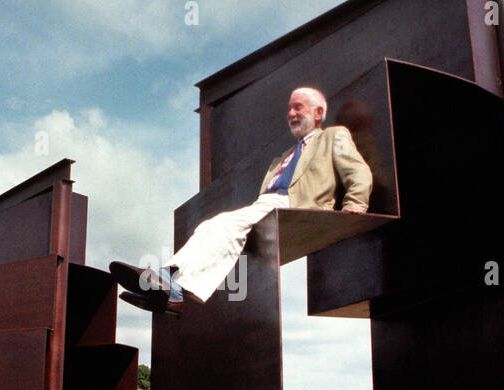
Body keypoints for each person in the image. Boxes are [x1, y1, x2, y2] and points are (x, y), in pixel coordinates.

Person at [110, 86, 373, 316]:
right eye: (289, 109)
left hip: (297, 204)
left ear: (318, 112)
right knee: (210, 225)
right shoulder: (282, 157)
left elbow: (358, 171)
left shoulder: (333, 136)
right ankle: (171, 292)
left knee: (225, 223)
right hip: (266, 205)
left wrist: (356, 203)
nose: (291, 113)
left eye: (298, 107)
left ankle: (169, 286)